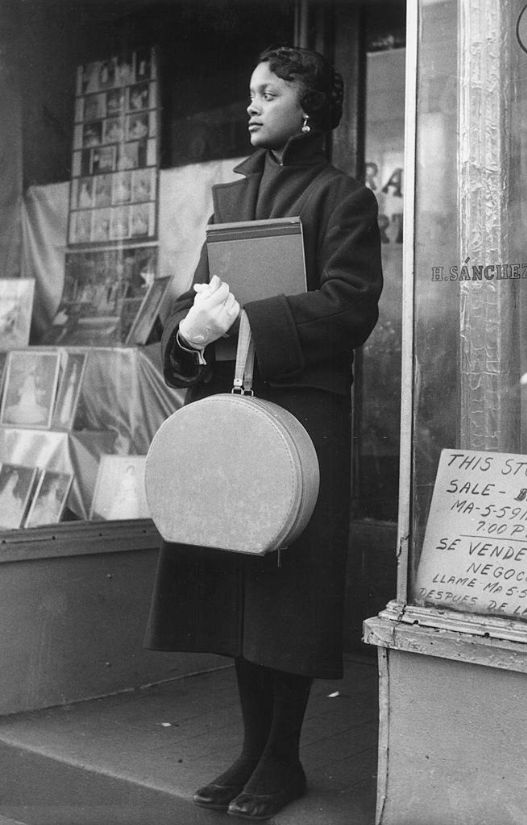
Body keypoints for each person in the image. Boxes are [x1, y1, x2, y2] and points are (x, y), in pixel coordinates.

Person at [144, 45, 382, 820]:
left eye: (269, 92)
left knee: (289, 592)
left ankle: (284, 758)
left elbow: (352, 305)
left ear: (306, 107)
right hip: (234, 405)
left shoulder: (343, 197)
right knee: (238, 582)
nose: (252, 103)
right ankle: (254, 748)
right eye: (250, 90)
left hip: (304, 415)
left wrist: (253, 318)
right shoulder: (233, 197)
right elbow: (196, 308)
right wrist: (195, 328)